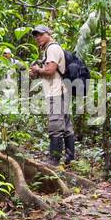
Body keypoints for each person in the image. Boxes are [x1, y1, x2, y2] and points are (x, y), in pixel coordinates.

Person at [27, 24, 75, 165]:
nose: (38, 38)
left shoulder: (53, 48)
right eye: (36, 35)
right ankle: (70, 159)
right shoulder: (50, 49)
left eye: (41, 34)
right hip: (61, 92)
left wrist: (37, 69)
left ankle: (54, 160)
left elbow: (50, 71)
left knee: (55, 126)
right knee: (66, 126)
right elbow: (48, 71)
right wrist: (36, 72)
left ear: (49, 34)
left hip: (57, 93)